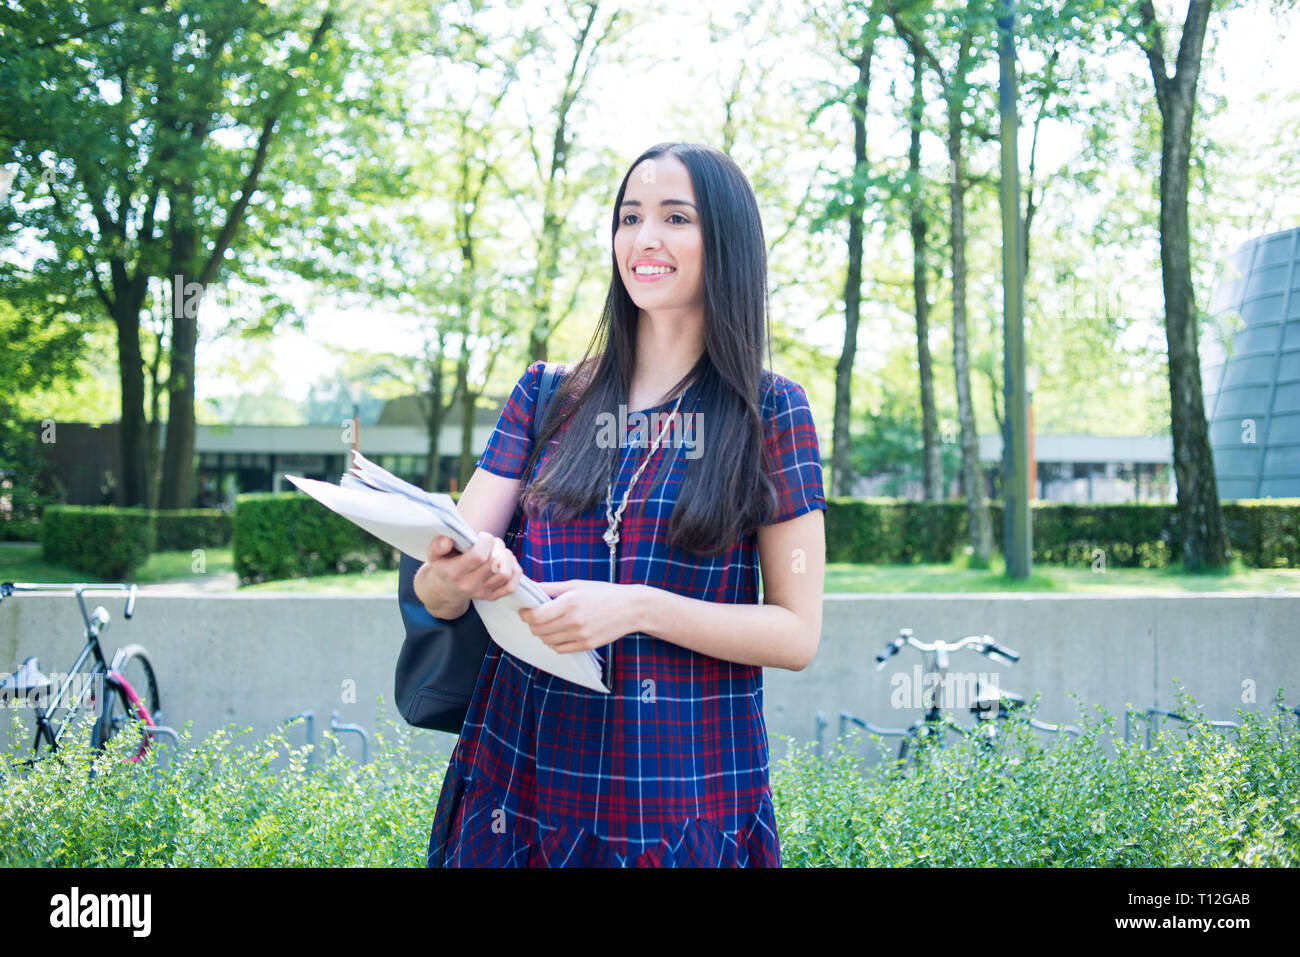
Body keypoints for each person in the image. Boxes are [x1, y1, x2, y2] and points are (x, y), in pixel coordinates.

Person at [413, 141, 826, 867]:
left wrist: (635, 606)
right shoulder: (547, 396)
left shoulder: (771, 411)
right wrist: (459, 575)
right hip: (524, 778)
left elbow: (796, 633)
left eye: (675, 217)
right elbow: (436, 583)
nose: (645, 239)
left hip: (684, 794)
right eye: (630, 216)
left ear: (725, 241)